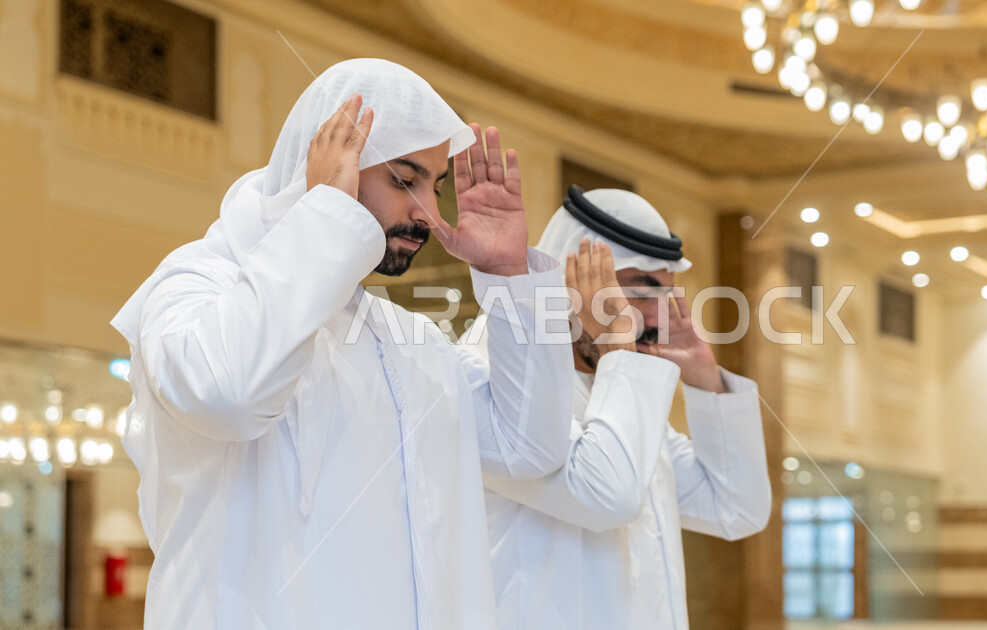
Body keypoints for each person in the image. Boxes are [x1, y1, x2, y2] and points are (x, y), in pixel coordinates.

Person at [109, 59, 574, 629]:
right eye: (404, 179)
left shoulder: (408, 339)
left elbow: (531, 446)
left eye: (435, 185)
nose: (428, 212)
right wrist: (325, 209)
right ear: (327, 162)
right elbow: (227, 395)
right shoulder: (195, 285)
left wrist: (510, 276)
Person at [478, 186, 772, 630]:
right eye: (639, 292)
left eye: (665, 297)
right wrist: (622, 351)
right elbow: (608, 497)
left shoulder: (610, 393)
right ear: (566, 283)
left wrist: (705, 380)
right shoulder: (497, 378)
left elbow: (736, 508)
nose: (656, 319)